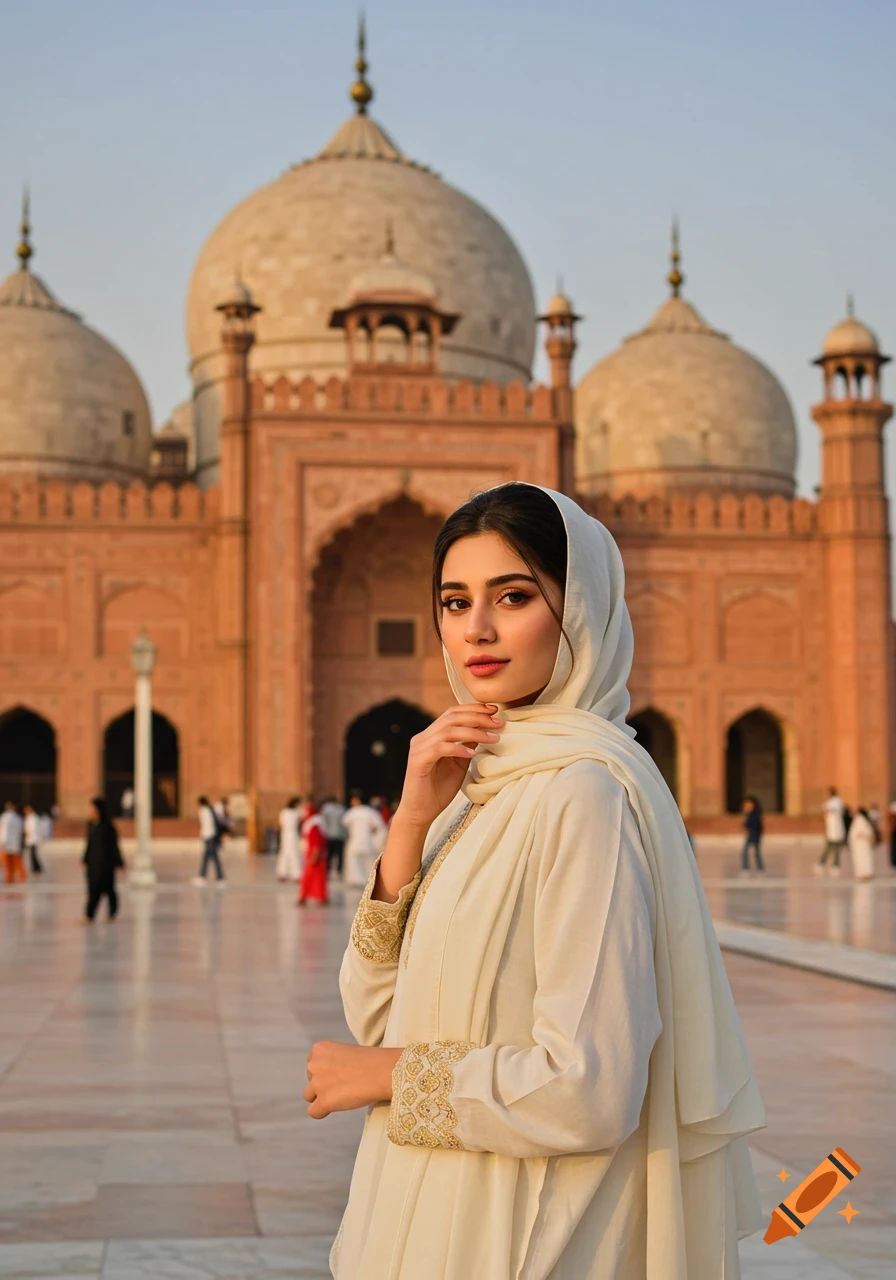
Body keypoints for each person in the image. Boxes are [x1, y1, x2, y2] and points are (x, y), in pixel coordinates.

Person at [305, 483, 765, 1279]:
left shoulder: (584, 794)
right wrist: (410, 825)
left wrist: (390, 1078)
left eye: (512, 596)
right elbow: (377, 1016)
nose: (475, 630)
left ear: (578, 607)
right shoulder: (478, 790)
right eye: (454, 602)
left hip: (526, 1237)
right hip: (430, 1214)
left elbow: (588, 1088)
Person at [82, 796, 124, 922]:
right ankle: (89, 915)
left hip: (106, 863)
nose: (91, 811)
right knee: (92, 889)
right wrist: (85, 858)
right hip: (93, 863)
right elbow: (89, 843)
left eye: (93, 808)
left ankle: (112, 912)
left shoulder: (107, 827)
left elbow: (114, 845)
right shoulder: (90, 825)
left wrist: (119, 861)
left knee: (109, 890)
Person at [342, 793, 387, 888]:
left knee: (354, 862)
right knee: (368, 862)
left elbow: (345, 824)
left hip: (354, 840)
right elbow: (377, 826)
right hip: (367, 841)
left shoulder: (352, 812)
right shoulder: (371, 812)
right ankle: (368, 880)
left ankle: (356, 880)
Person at [298, 801, 329, 906]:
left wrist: (314, 857)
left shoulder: (313, 826)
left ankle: (306, 897)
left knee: (311, 878)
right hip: (314, 856)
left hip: (315, 857)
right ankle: (312, 897)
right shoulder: (314, 825)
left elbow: (317, 844)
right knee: (315, 879)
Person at [193, 795, 226, 887]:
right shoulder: (210, 810)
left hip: (208, 837)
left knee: (212, 857)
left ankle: (218, 878)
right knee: (208, 857)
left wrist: (205, 836)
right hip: (211, 837)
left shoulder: (204, 811)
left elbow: (207, 826)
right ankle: (205, 877)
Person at [816, 786, 846, 876]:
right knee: (830, 847)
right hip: (832, 830)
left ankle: (835, 865)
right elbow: (824, 808)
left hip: (836, 829)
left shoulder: (836, 802)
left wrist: (827, 809)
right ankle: (823, 863)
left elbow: (829, 809)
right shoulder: (831, 802)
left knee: (835, 848)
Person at [320, 794, 347, 876]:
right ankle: (339, 870)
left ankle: (328, 869)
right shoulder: (342, 809)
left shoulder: (326, 809)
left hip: (329, 834)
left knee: (329, 854)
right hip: (340, 834)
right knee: (340, 854)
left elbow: (323, 821)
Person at [277, 796, 302, 881]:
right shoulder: (296, 813)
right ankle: (296, 875)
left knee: (284, 853)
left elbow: (281, 823)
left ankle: (282, 873)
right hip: (292, 834)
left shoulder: (284, 812)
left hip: (285, 834)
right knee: (294, 854)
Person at [0, 801, 25, 884]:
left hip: (7, 844)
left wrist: (3, 842)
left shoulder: (5, 818)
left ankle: (9, 878)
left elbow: (4, 831)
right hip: (15, 843)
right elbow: (21, 831)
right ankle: (22, 876)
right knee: (16, 861)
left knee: (7, 863)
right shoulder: (17, 818)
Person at [848, 807, 876, 881]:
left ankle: (864, 873)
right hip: (862, 844)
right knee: (864, 858)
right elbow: (863, 833)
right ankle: (864, 873)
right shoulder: (861, 820)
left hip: (861, 844)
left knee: (862, 858)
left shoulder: (860, 820)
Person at [740, 795, 765, 875]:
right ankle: (753, 868)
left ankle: (756, 868)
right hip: (751, 833)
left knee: (752, 851)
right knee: (751, 851)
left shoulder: (756, 813)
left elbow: (754, 824)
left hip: (755, 834)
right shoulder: (750, 813)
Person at [23, 803, 44, 875]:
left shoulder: (34, 818)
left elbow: (32, 829)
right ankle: (35, 867)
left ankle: (37, 867)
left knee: (33, 854)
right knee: (32, 854)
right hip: (31, 838)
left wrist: (27, 832)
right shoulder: (29, 818)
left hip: (34, 838)